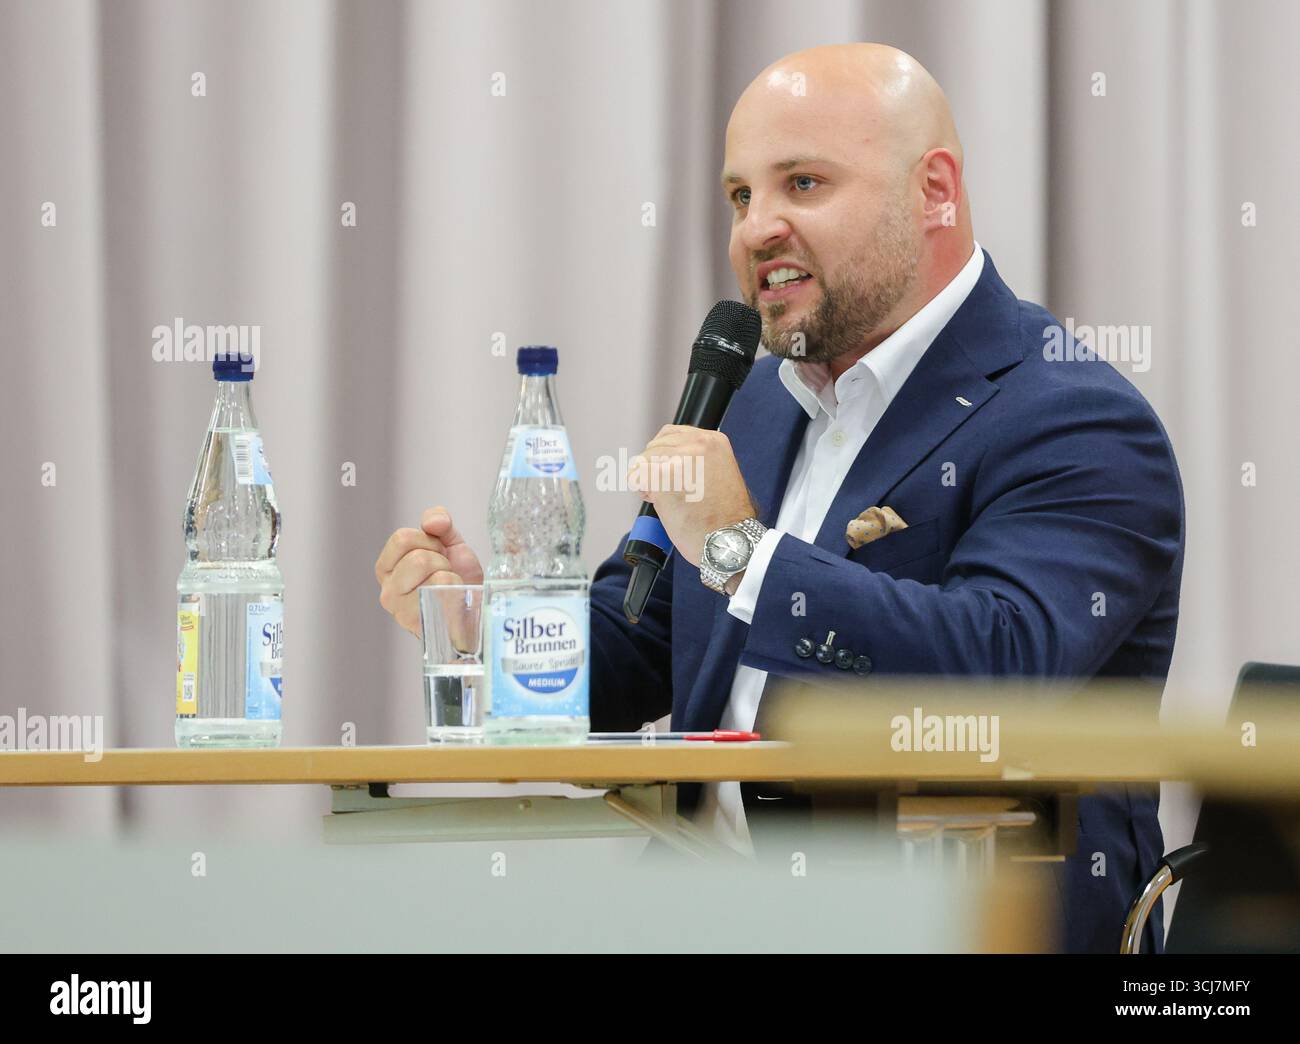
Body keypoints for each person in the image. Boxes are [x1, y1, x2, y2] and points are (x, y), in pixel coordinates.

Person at [375, 43, 1184, 953]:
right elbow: (637, 643)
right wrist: (492, 626)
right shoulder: (757, 403)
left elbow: (1001, 664)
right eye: (740, 196)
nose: (757, 228)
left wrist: (739, 549)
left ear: (936, 192)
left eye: (802, 183)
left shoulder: (1073, 414)